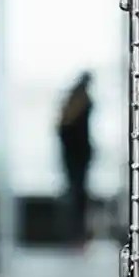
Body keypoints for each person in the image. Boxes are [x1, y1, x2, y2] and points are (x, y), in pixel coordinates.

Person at [57, 72, 94, 231]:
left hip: (74, 154)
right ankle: (76, 231)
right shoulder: (82, 102)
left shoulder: (71, 103)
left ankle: (74, 230)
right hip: (78, 154)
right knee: (78, 194)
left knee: (75, 192)